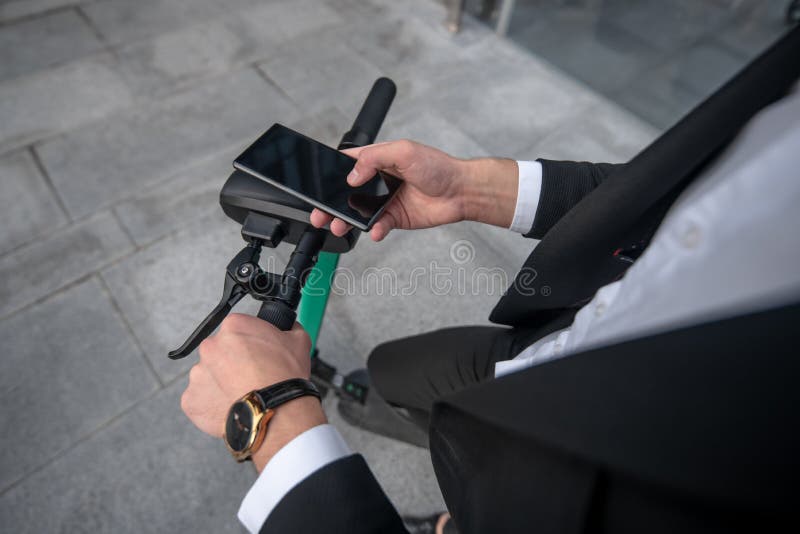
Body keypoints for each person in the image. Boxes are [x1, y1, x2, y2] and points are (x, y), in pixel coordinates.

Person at [180, 26, 800, 534]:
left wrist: (272, 418)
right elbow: (686, 194)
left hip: (562, 476)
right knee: (392, 370)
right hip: (552, 347)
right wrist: (472, 187)